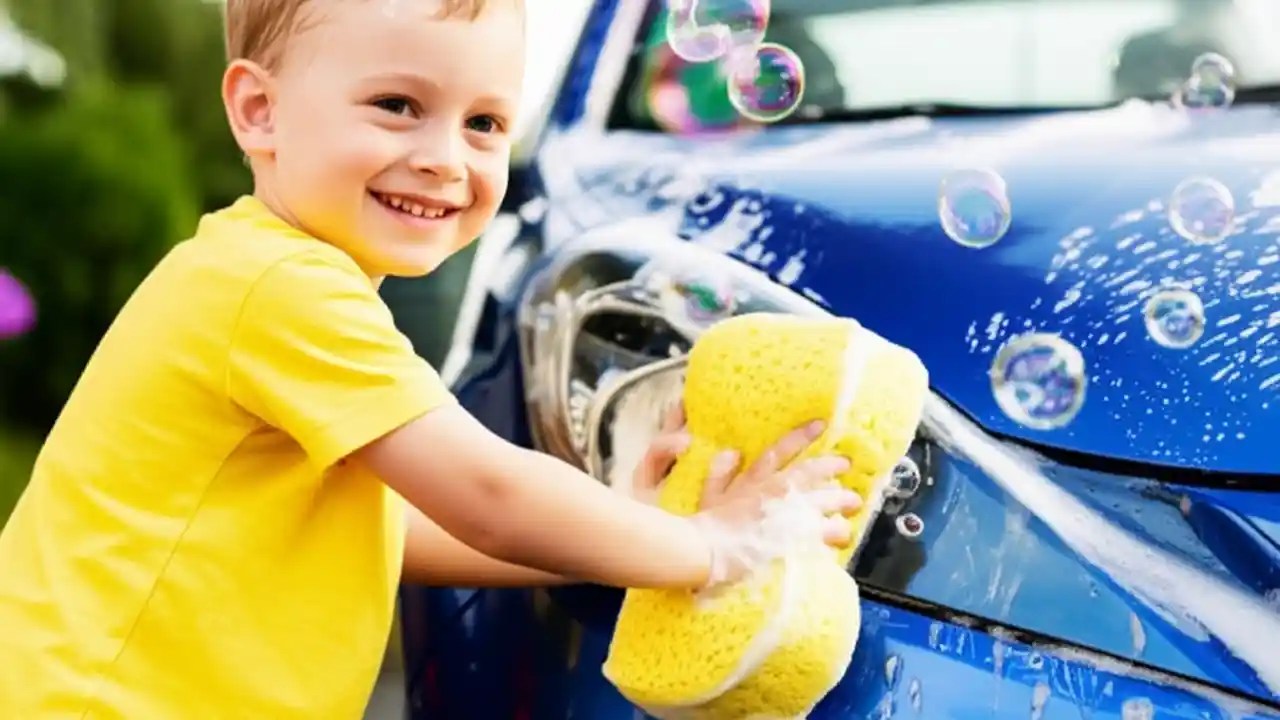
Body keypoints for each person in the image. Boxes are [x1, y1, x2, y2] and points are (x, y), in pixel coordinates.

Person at [0, 0, 861, 717]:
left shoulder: (270, 278)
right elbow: (489, 496)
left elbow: (392, 529)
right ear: (258, 111)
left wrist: (615, 526)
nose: (446, 158)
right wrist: (709, 546)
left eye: (484, 123)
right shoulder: (281, 291)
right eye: (397, 106)